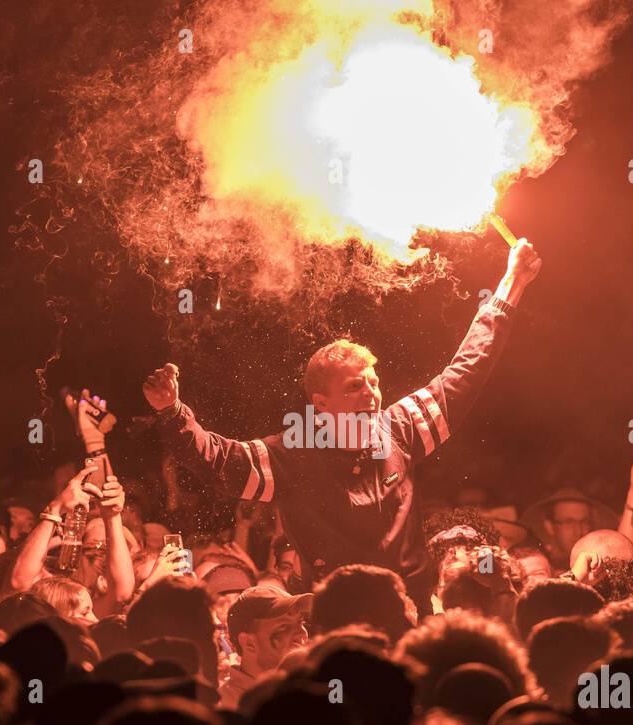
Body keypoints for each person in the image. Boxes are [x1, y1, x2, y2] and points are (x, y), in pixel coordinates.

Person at [142, 239, 543, 614]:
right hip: (332, 621)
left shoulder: (400, 428)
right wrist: (172, 411)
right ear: (321, 404)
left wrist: (512, 284)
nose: (372, 394)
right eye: (355, 386)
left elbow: (465, 371)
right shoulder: (290, 454)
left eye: (374, 382)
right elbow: (216, 458)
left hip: (408, 614)